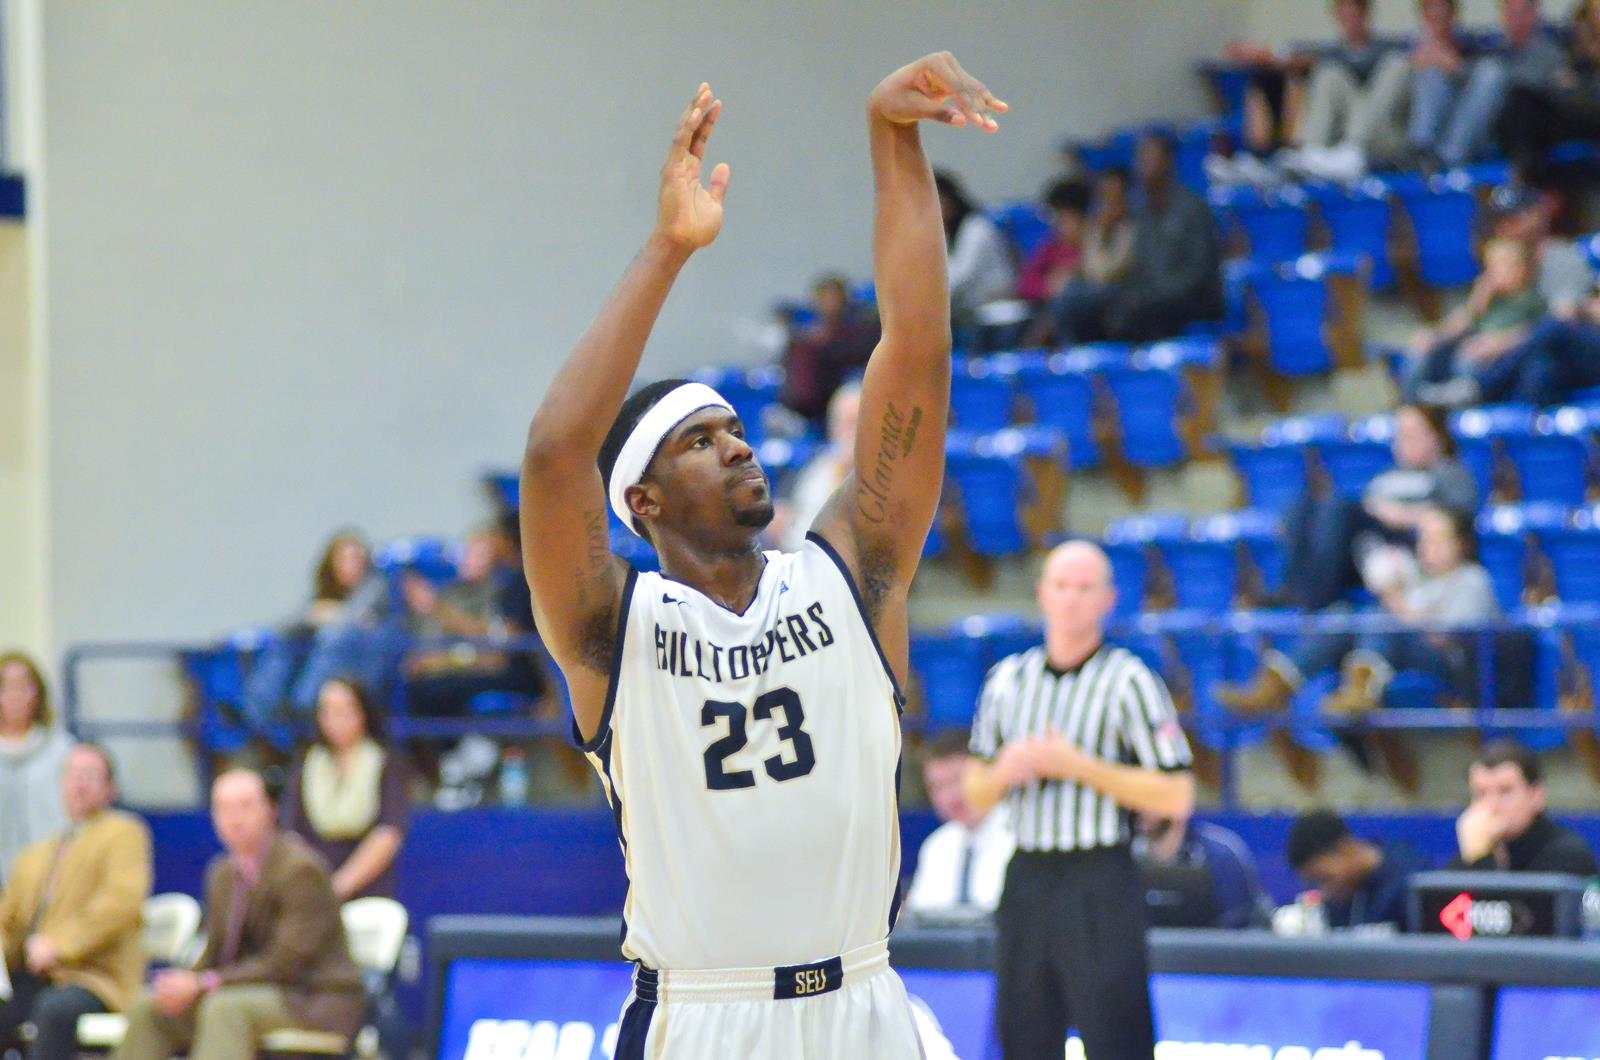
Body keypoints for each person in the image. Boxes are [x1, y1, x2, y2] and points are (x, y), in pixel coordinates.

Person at [517, 55, 1004, 1058]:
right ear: (641, 501)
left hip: (865, 1005)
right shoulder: (614, 633)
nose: (737, 443)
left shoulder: (850, 574)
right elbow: (556, 451)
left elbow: (915, 347)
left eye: (735, 426)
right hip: (702, 1014)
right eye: (701, 439)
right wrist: (667, 247)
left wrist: (892, 140)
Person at [963, 541, 1194, 1060]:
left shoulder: (1129, 680)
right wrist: (1006, 770)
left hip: (1101, 877)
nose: (1071, 599)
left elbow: (1177, 794)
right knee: (1024, 1033)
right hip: (1025, 877)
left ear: (1108, 599)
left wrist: (1080, 767)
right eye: (1061, 586)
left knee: (1117, 1036)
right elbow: (974, 795)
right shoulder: (1006, 681)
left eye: (1084, 587)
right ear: (1042, 594)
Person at [1221, 507, 1497, 792]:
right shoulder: (1417, 578)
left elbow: (1448, 637)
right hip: (1397, 652)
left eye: (1438, 541)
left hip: (1447, 666)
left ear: (1462, 544)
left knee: (1377, 617)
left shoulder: (1472, 580)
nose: (1427, 548)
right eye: (1424, 540)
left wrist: (1395, 601)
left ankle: (1362, 689)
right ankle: (1275, 687)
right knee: (1344, 615)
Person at [113, 770, 364, 1060]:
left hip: (310, 997)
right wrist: (185, 983)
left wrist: (205, 983)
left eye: (245, 806)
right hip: (246, 990)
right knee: (150, 1006)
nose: (235, 818)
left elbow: (286, 961)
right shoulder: (221, 873)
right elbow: (216, 951)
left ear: (270, 809)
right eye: (224, 808)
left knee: (225, 1009)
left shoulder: (300, 870)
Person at [0, 746, 152, 1060]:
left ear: (110, 787)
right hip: (33, 976)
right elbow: (9, 919)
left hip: (94, 977)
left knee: (53, 1012)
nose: (79, 784)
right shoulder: (38, 854)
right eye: (72, 775)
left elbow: (120, 903)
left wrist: (59, 944)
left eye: (90, 776)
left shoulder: (124, 834)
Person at [1276, 403, 1477, 616]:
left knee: (1341, 509)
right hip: (1368, 549)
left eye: (1410, 435)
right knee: (1303, 507)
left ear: (1436, 437)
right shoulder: (1389, 476)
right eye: (1398, 436)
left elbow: (1458, 519)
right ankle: (1292, 592)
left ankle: (1314, 600)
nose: (1401, 444)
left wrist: (1403, 516)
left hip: (1411, 549)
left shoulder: (1451, 474)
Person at [239, 531, 395, 741]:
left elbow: (352, 619)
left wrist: (331, 615)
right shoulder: (323, 594)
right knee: (283, 643)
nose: (351, 565)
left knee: (335, 636)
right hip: (314, 668)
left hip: (360, 669)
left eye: (357, 559)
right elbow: (286, 624)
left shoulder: (376, 586)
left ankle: (307, 703)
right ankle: (259, 706)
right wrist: (317, 615)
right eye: (344, 559)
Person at [279, 678, 408, 901]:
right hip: (312, 888)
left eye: (343, 710)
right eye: (327, 711)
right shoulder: (307, 761)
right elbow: (290, 830)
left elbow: (388, 832)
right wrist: (316, 882)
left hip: (370, 891)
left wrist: (339, 886)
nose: (334, 720)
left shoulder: (385, 761)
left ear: (363, 712)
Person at [1409, 0, 1564, 170]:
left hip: (1507, 127)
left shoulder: (1549, 53)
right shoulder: (1491, 46)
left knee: (1492, 72)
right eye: (1511, 13)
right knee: (1432, 71)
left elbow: (1521, 85)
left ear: (1535, 14)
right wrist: (1440, 61)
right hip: (1472, 122)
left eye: (1522, 13)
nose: (1516, 20)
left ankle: (1448, 158)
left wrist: (1458, 68)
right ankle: (1420, 148)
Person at [1405, 236, 1547, 404]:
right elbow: (1460, 323)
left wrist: (1499, 343)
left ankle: (1465, 411)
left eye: (1501, 267)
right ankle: (1413, 409)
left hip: (1507, 359)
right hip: (1474, 345)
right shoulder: (1487, 296)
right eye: (1489, 267)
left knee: (1466, 360)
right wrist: (1433, 335)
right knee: (1418, 356)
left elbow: (1536, 332)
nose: (1492, 274)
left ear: (1522, 269)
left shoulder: (1530, 298)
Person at [1285, 0, 1409, 180]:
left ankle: (1354, 151)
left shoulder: (1388, 47)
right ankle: (1311, 152)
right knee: (1328, 73)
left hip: (1382, 135)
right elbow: (1289, 57)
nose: (1350, 22)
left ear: (1365, 15)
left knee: (1398, 64)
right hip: (1344, 136)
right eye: (1344, 17)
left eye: (1354, 15)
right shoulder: (1330, 53)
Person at [905, 731, 1015, 917]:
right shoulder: (937, 845)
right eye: (937, 787)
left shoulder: (1021, 837)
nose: (950, 797)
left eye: (958, 780)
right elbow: (918, 921)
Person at [1453, 740, 1598, 873]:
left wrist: (1480, 860)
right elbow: (1443, 901)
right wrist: (1474, 856)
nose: (1492, 806)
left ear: (1536, 795)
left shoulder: (1568, 856)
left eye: (1505, 791)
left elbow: (1513, 902)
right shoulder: (1474, 847)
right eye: (1481, 793)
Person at [1499, 0, 1600, 183]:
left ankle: (1527, 180)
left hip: (1591, 115)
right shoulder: (1577, 43)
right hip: (1575, 108)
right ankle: (1526, 176)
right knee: (1524, 100)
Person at [0, 653, 72, 886]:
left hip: (49, 876)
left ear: (38, 693)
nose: (15, 696)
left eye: (24, 686)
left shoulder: (62, 749)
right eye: (6, 687)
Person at [1285, 809, 1422, 931]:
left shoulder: (1411, 883)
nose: (1325, 893)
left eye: (1325, 879)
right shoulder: (1339, 901)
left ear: (1347, 849)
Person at [1133, 814, 1272, 930]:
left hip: (1211, 958)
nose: (1140, 807)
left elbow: (1242, 926)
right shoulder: (1124, 856)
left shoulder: (1221, 857)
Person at [776, 274, 878, 427]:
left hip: (839, 397)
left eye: (834, 297)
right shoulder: (804, 338)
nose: (830, 303)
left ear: (844, 299)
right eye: (825, 298)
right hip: (803, 404)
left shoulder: (864, 332)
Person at [769, 383, 859, 554]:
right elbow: (781, 508)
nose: (852, 433)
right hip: (794, 557)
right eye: (847, 423)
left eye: (858, 423)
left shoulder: (879, 476)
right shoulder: (811, 464)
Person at [935, 169, 1015, 332]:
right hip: (965, 308)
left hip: (992, 308)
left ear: (949, 202)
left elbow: (961, 280)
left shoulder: (976, 228)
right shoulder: (943, 233)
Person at [1015, 180, 1087, 306]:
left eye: (1063, 219)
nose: (1057, 226)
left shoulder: (1091, 247)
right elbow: (1025, 284)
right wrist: (1046, 288)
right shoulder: (1052, 245)